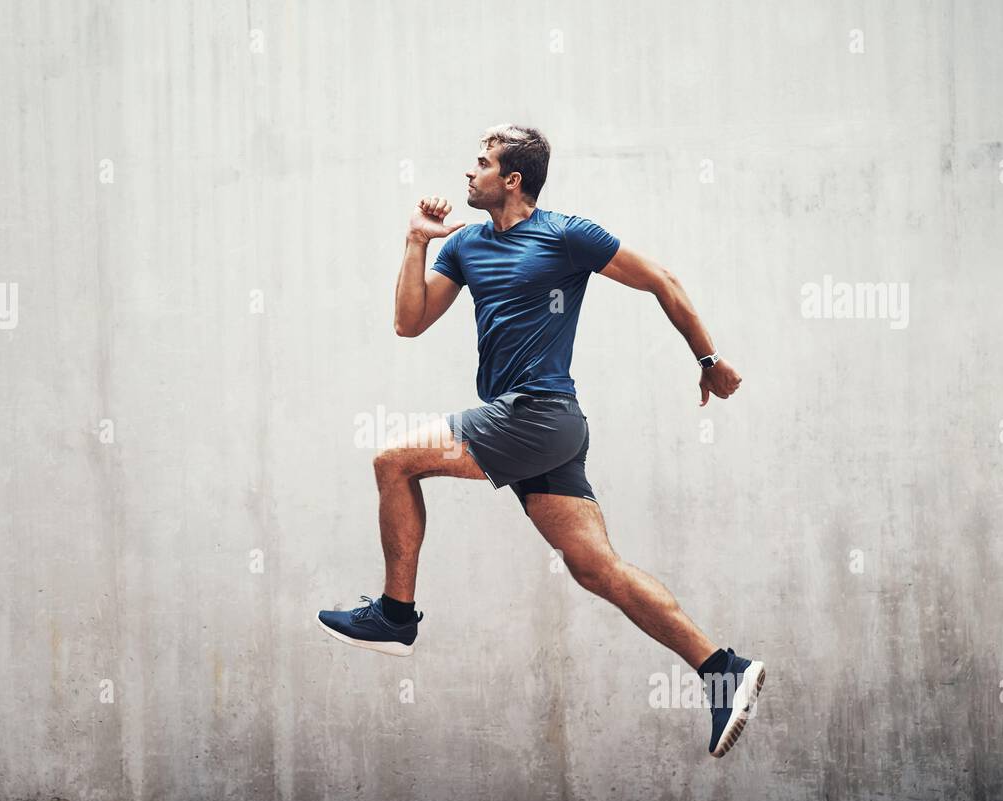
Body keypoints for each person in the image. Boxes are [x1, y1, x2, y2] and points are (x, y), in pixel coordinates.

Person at [316, 124, 765, 757]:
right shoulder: (467, 245)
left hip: (538, 415)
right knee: (596, 569)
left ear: (513, 178)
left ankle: (395, 615)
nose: (468, 174)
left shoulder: (566, 234)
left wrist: (708, 359)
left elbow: (661, 278)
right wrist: (416, 240)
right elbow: (408, 322)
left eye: (481, 163)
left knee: (393, 461)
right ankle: (721, 668)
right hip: (532, 427)